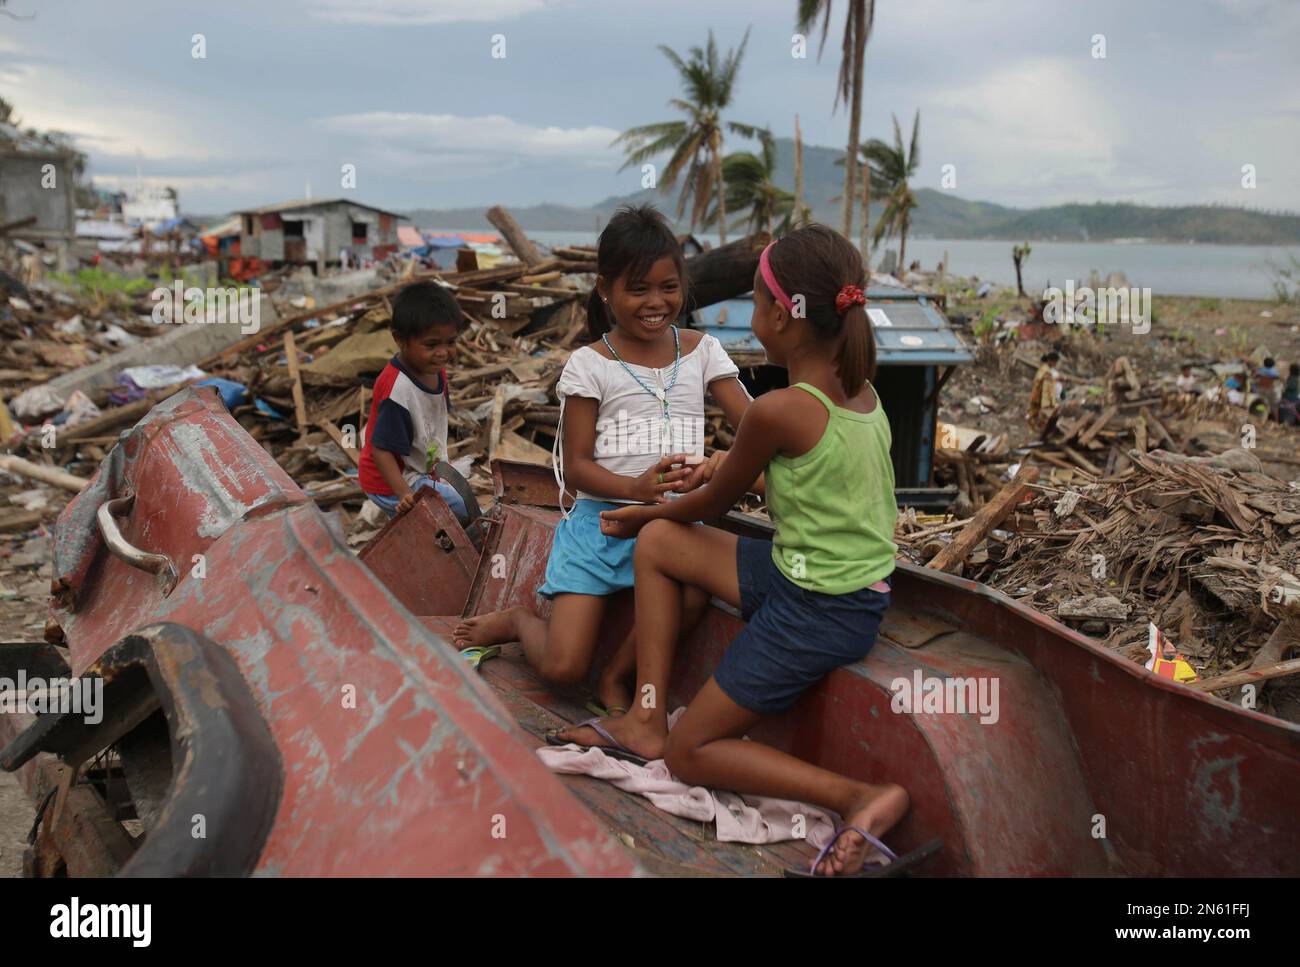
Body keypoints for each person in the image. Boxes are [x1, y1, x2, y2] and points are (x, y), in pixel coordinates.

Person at [555, 225, 909, 876]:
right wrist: (709, 472)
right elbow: (774, 470)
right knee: (665, 545)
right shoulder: (861, 395)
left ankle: (858, 795)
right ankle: (645, 712)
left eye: (753, 301)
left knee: (689, 753)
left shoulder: (776, 410)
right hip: (828, 586)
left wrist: (640, 512)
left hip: (814, 609)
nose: (749, 315)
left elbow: (711, 504)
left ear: (780, 315)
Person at [452, 206, 752, 714]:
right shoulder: (590, 364)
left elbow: (753, 425)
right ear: (605, 289)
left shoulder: (704, 351)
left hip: (673, 523)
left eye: (669, 287)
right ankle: (519, 623)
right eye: (639, 290)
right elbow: (576, 467)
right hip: (602, 525)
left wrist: (731, 460)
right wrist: (635, 488)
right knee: (563, 668)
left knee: (697, 593)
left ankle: (617, 677)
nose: (656, 303)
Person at [358, 280, 471, 523]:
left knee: (459, 498)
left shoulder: (434, 368)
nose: (443, 352)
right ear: (400, 339)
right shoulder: (398, 390)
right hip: (389, 481)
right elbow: (381, 450)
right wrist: (404, 494)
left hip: (417, 467)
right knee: (460, 507)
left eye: (450, 342)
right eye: (431, 344)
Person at [1027, 350, 1061, 431]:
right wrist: (1052, 401)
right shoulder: (1045, 369)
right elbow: (1046, 384)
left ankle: (1034, 427)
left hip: (1039, 394)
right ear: (1052, 361)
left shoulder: (1045, 369)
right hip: (1039, 395)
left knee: (1035, 412)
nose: (1055, 365)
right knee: (1036, 412)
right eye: (1055, 362)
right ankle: (1033, 427)